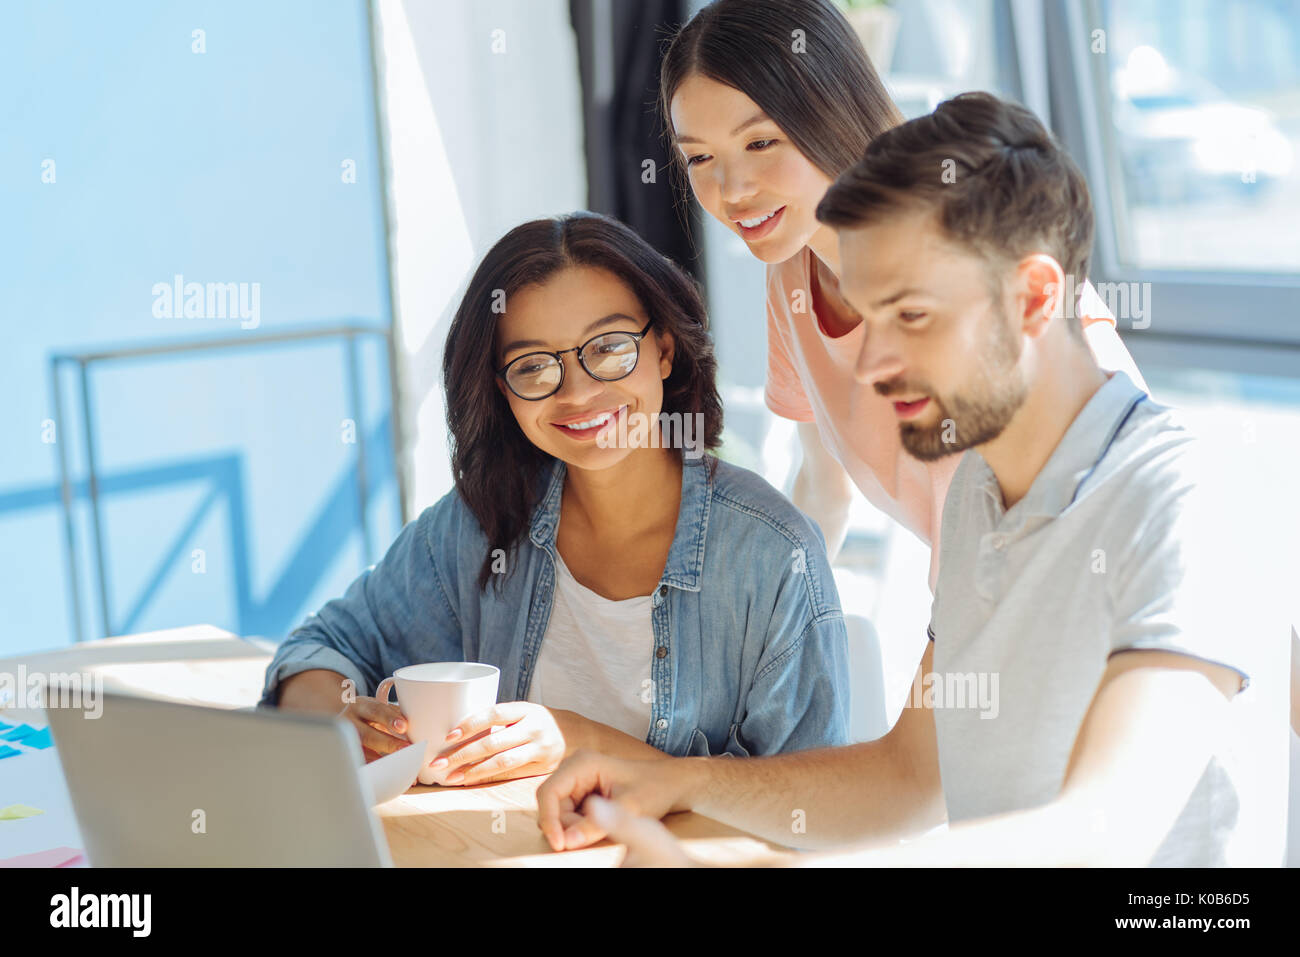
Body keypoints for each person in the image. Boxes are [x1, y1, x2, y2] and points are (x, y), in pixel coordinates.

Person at [535, 94, 1257, 867]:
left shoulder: (1174, 495)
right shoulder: (981, 492)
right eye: (870, 317)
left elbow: (1096, 832)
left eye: (911, 316)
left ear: (1037, 298)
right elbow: (909, 776)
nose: (873, 367)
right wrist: (680, 783)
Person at [259, 212, 852, 786]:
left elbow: (811, 805)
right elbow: (322, 647)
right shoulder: (483, 523)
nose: (578, 392)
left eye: (610, 347)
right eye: (534, 366)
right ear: (502, 390)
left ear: (664, 350)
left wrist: (576, 739)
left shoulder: (773, 555)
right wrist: (338, 722)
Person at [660, 0, 1147, 589]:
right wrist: (754, 621)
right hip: (978, 610)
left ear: (831, 110)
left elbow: (1112, 453)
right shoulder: (792, 273)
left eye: (761, 143)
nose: (732, 189)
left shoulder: (963, 243)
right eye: (700, 157)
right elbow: (823, 487)